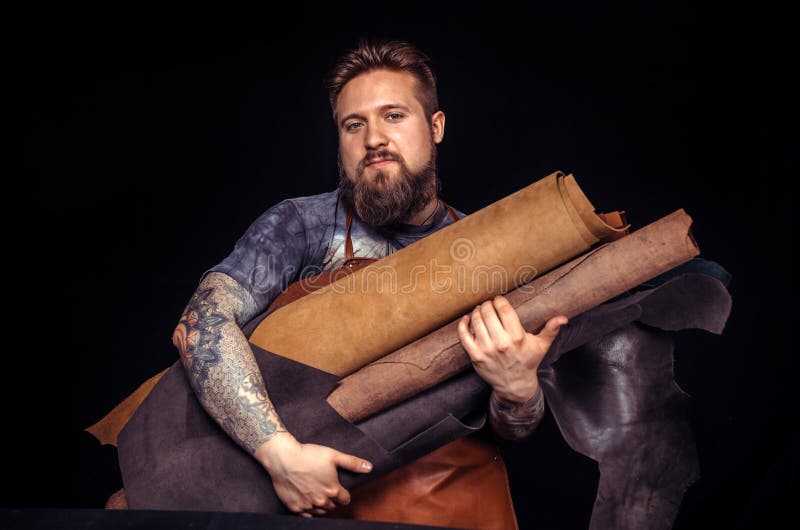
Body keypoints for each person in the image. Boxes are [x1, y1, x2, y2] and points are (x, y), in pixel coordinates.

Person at [171, 38, 567, 525]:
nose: (374, 138)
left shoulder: (489, 252)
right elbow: (200, 323)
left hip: (456, 507)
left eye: (394, 116)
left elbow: (516, 430)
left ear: (435, 126)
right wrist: (280, 454)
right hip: (319, 500)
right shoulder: (302, 227)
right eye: (353, 125)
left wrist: (518, 391)